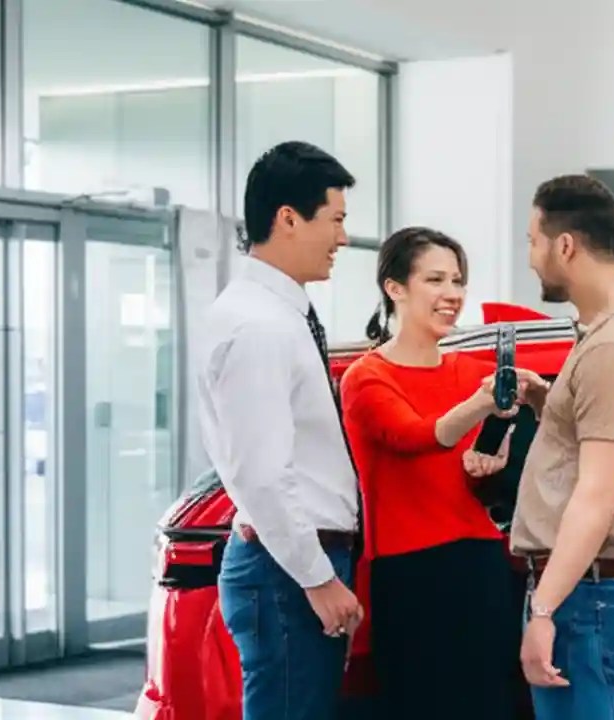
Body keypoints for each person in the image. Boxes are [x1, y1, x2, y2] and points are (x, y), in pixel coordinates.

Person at [338, 226, 549, 720]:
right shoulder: (367, 377)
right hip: (408, 572)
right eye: (435, 280)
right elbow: (417, 437)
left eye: (457, 281)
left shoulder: (469, 370)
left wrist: (495, 460)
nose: (452, 295)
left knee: (488, 705)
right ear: (395, 287)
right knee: (419, 704)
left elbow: (486, 471)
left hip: (480, 563)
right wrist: (480, 405)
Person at [199, 140, 364, 719]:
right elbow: (260, 473)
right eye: (336, 219)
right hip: (289, 572)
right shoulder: (260, 326)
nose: (343, 238)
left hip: (290, 565)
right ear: (288, 219)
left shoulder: (277, 315)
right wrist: (318, 578)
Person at [510, 174, 614, 720]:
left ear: (565, 245)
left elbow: (598, 495)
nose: (531, 258)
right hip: (589, 595)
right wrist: (549, 406)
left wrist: (544, 609)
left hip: (586, 598)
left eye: (533, 242)